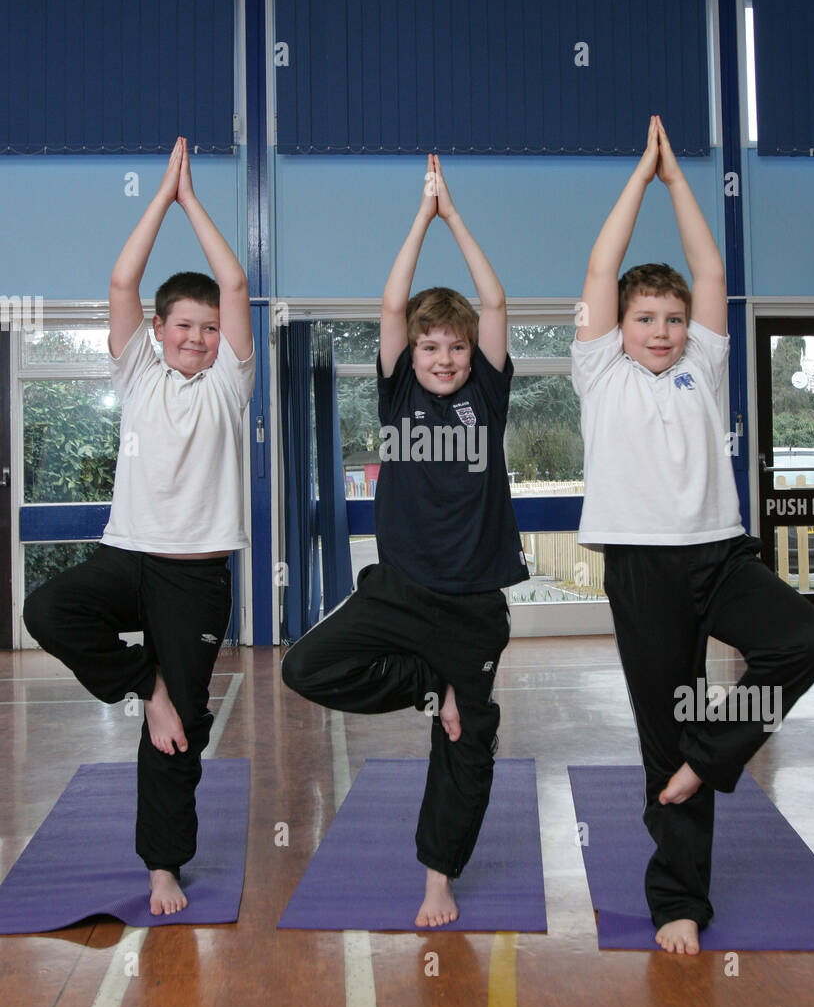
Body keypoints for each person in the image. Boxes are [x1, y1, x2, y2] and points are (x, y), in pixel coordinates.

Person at [572, 115, 814, 954]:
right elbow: (599, 266)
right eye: (645, 317)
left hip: (719, 553)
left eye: (672, 319)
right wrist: (637, 179)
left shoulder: (705, 364)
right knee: (663, 734)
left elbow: (714, 267)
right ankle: (679, 901)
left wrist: (682, 181)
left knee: (804, 640)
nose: (660, 330)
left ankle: (712, 756)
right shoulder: (600, 368)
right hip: (641, 570)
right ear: (620, 325)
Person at [281, 154, 528, 927]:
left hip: (474, 604)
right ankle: (432, 685)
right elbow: (392, 304)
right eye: (432, 348)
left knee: (468, 747)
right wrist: (420, 219)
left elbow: (493, 298)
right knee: (306, 666)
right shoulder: (397, 396)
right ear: (411, 355)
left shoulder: (487, 396)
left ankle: (437, 880)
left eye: (456, 347)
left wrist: (456, 216)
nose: (446, 359)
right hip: (399, 591)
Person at [23, 137, 255, 917]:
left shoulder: (230, 383)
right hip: (128, 558)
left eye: (209, 328)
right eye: (183, 326)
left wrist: (197, 204)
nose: (197, 338)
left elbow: (236, 277)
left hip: (196, 575)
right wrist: (161, 198)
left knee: (179, 734)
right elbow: (122, 278)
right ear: (157, 330)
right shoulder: (137, 371)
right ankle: (142, 686)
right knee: (48, 609)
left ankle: (164, 867)